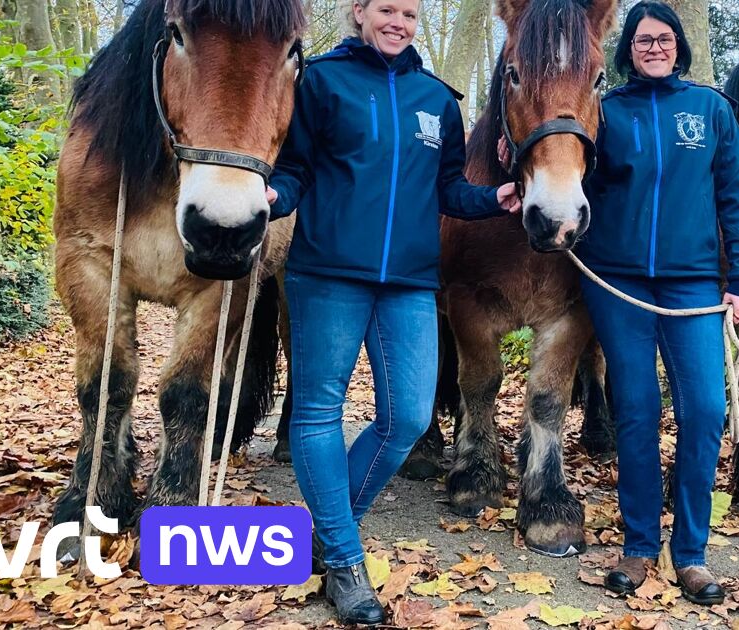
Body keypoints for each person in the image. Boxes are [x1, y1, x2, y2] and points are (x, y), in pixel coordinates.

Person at [265, 0, 520, 624]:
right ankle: (346, 562)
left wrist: (497, 198)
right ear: (359, 12)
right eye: (387, 9)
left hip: (409, 282)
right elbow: (295, 171)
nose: (399, 22)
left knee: (405, 418)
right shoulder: (320, 80)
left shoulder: (438, 99)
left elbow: (449, 190)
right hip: (325, 272)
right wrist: (270, 195)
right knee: (320, 410)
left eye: (409, 12)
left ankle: (328, 531)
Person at [572, 1, 739, 606]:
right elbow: (571, 170)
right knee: (636, 409)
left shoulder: (710, 109)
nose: (655, 47)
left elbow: (734, 198)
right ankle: (640, 544)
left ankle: (692, 553)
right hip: (618, 282)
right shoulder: (606, 110)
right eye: (644, 39)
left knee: (704, 408)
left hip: (694, 284)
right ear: (629, 49)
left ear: (680, 45)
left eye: (665, 38)